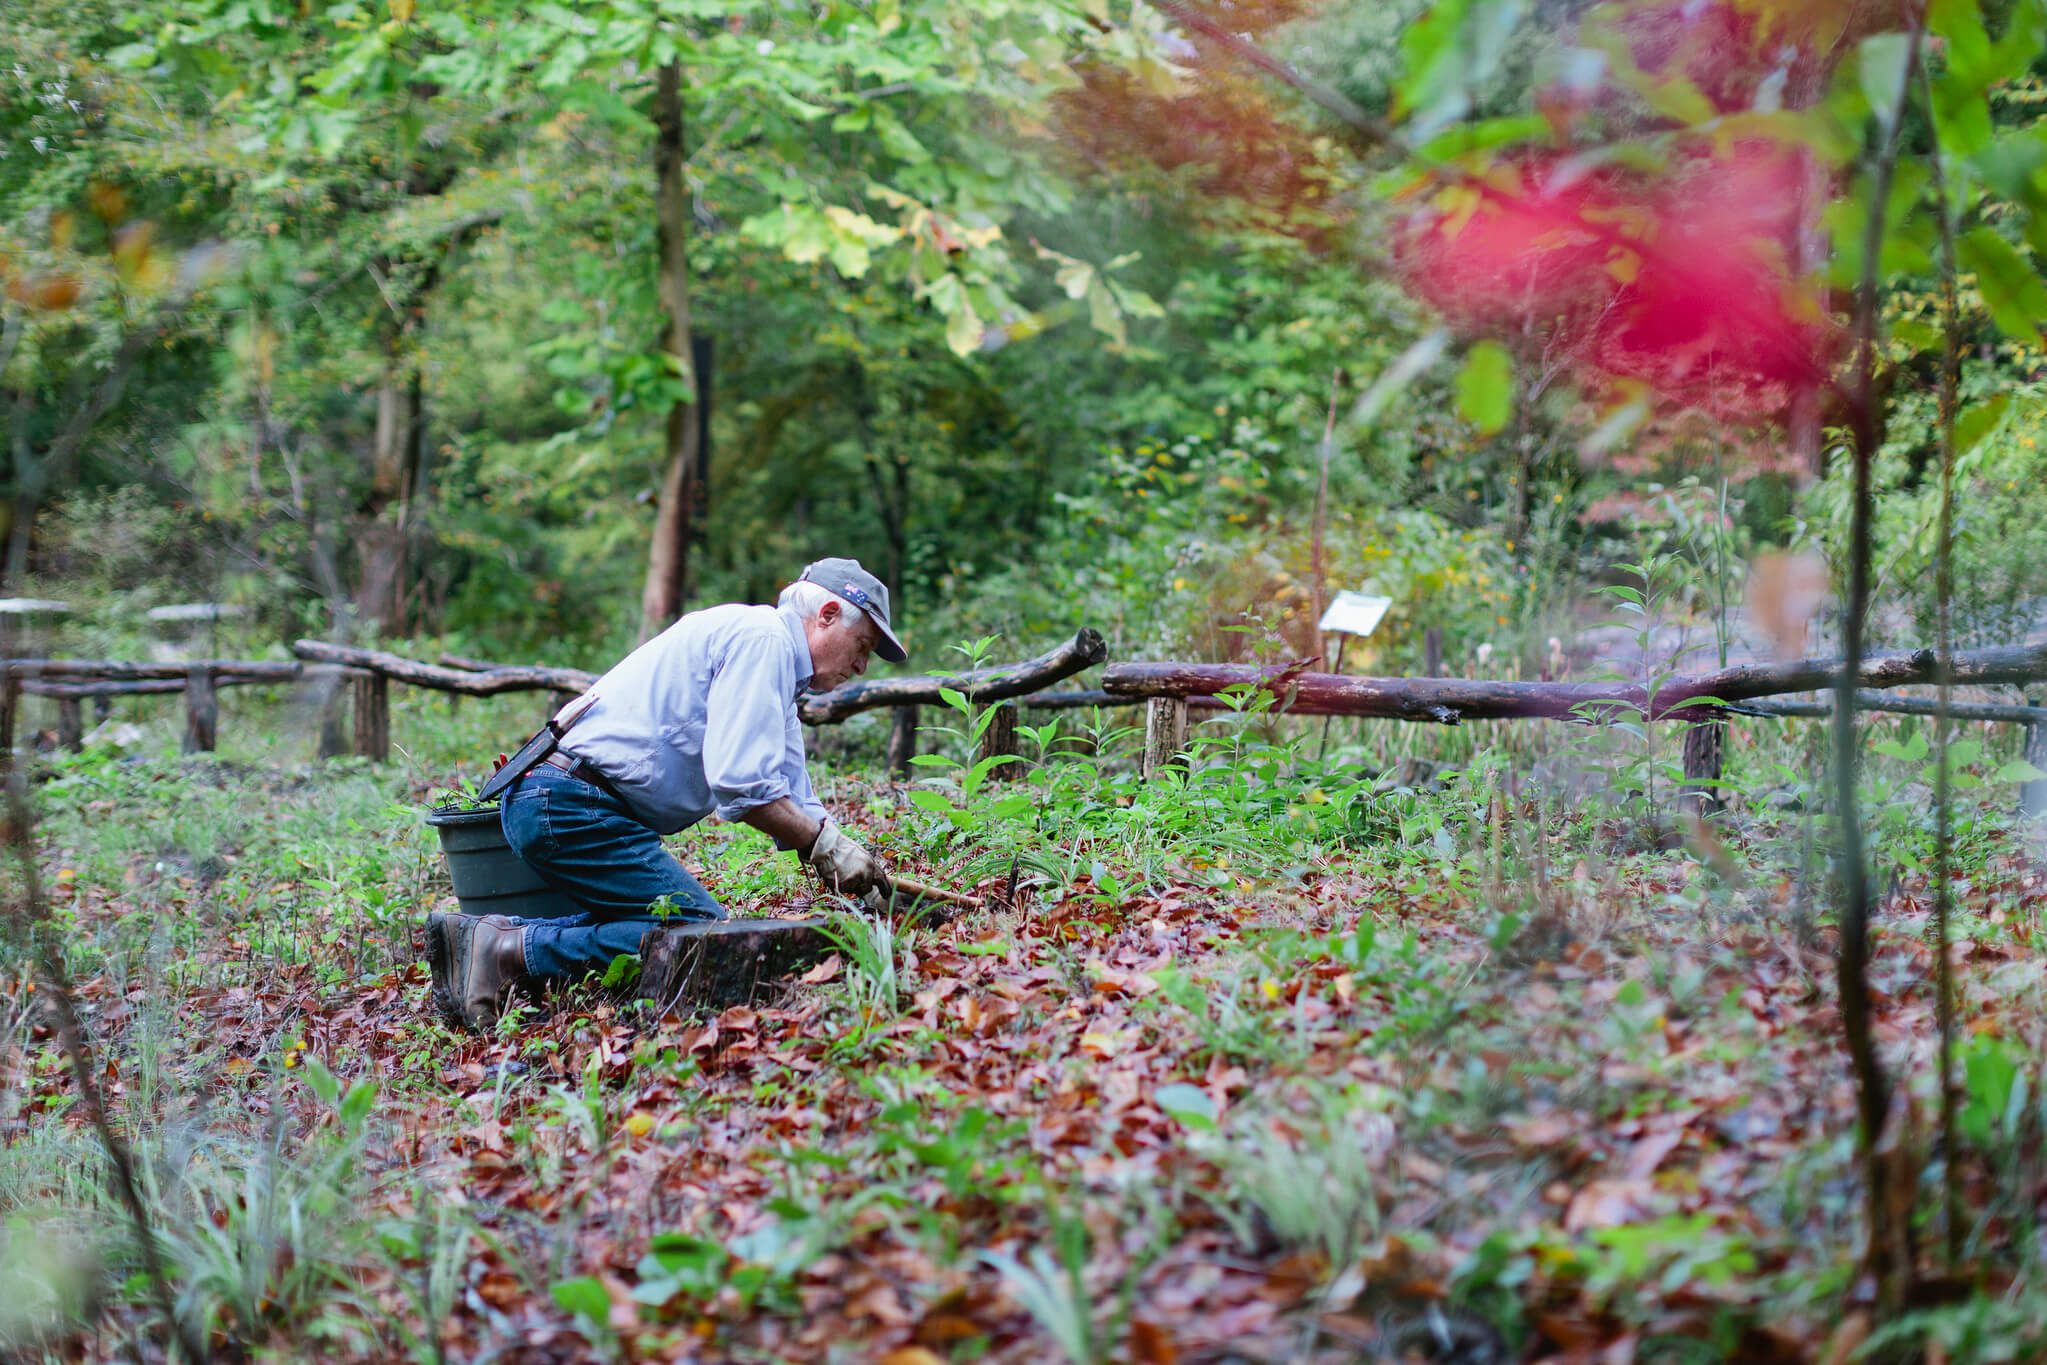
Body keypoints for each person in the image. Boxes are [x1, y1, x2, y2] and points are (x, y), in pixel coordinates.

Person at [425, 557, 906, 1030]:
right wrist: (823, 845)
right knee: (693, 931)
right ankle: (504, 950)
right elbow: (742, 787)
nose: (862, 665)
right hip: (569, 805)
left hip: (568, 801)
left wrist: (855, 868)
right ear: (825, 616)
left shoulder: (776, 665)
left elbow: (793, 794)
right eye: (861, 645)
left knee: (655, 919)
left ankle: (496, 942)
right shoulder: (764, 642)